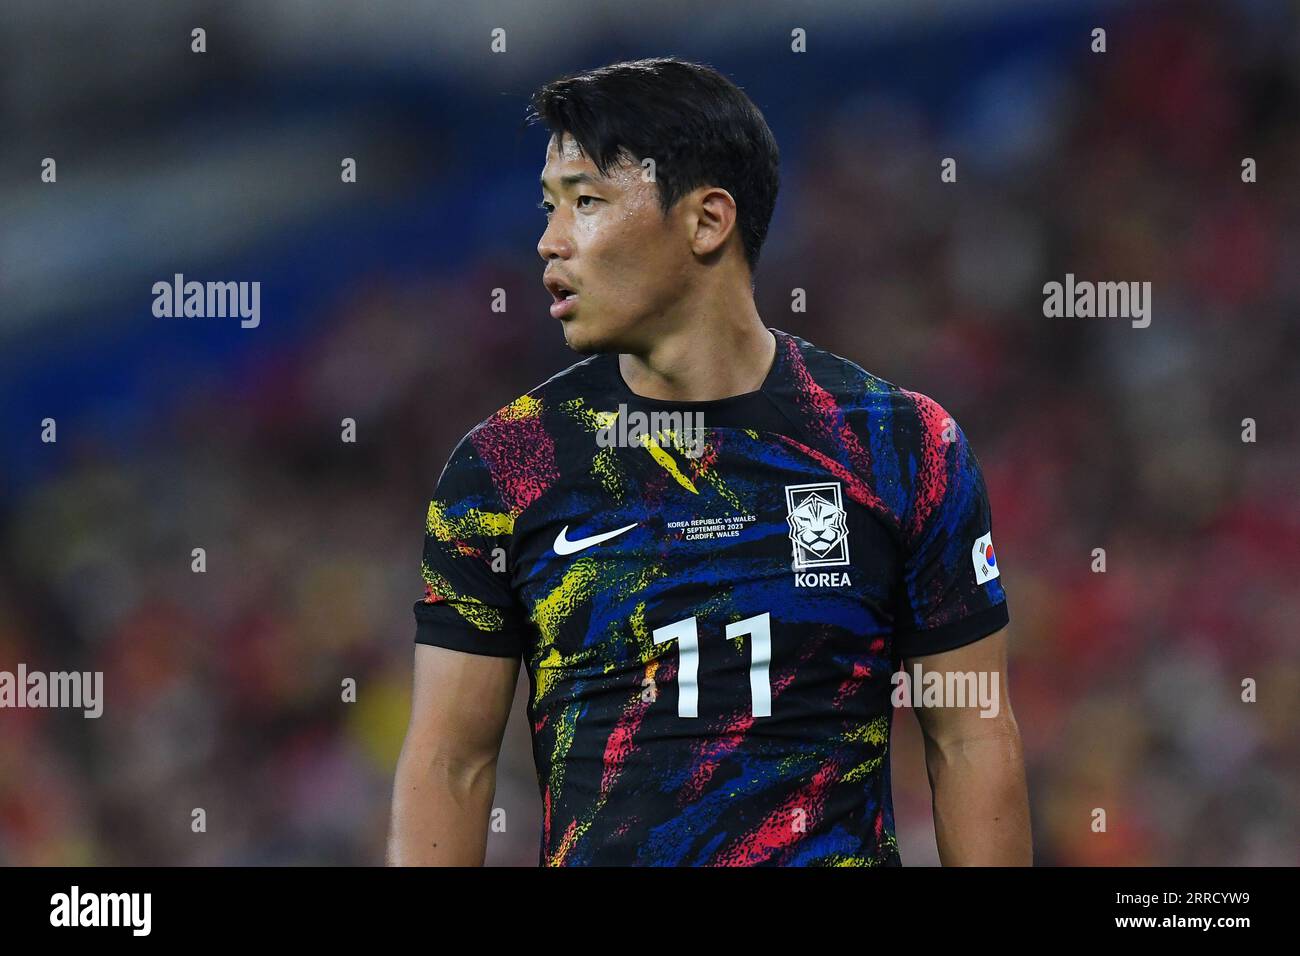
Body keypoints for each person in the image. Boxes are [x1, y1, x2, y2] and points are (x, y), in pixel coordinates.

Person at [387, 57, 1030, 866]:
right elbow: (451, 762)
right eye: (549, 207)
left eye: (585, 202)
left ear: (706, 220)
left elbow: (971, 735)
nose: (549, 241)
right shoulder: (506, 468)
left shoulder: (898, 446)